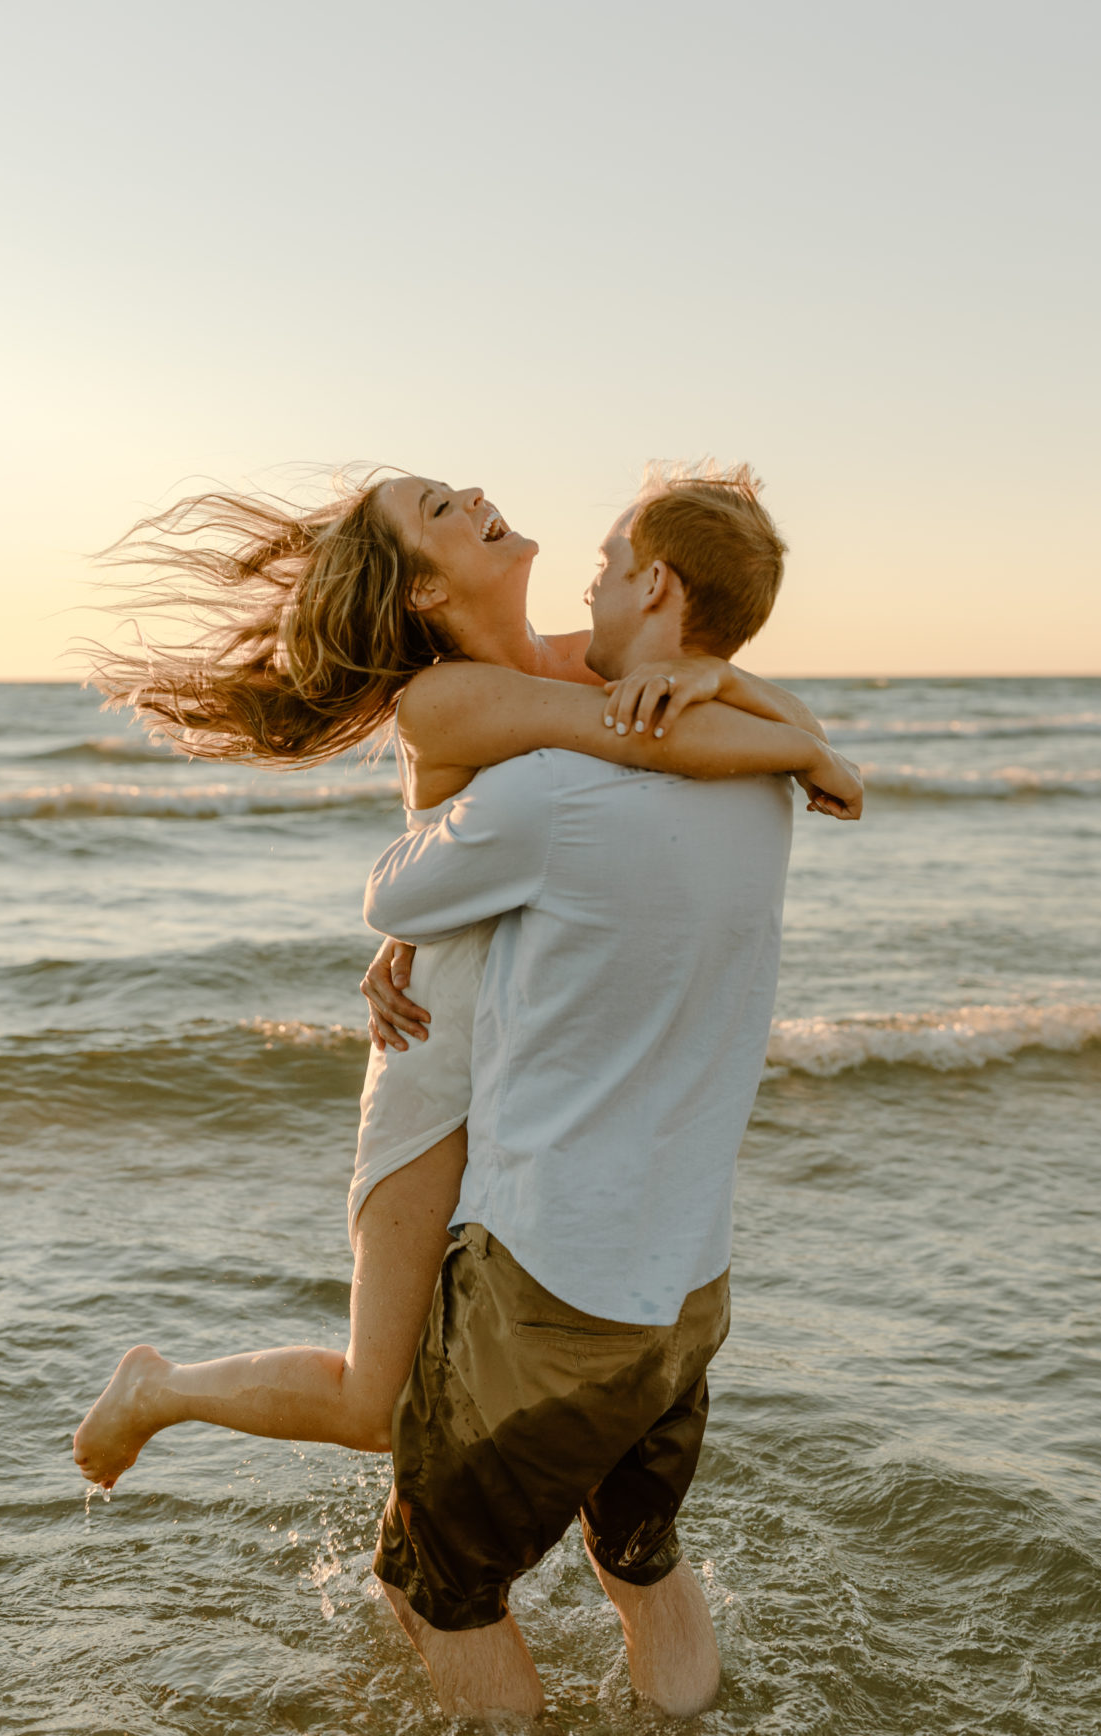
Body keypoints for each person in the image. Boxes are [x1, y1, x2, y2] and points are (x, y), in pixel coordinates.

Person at [73, 466, 859, 1498]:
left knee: (462, 1381)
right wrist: (807, 749)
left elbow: (693, 695)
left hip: (522, 1045)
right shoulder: (449, 696)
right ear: (427, 593)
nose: (477, 492)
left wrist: (727, 682)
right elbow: (658, 735)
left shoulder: (573, 658)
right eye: (439, 509)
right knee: (375, 1403)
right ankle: (157, 1387)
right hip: (433, 1054)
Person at [360, 485, 808, 1718]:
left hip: (549, 1281)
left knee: (435, 1588)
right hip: (688, 1287)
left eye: (611, 566)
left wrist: (412, 915)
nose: (590, 587)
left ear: (657, 585)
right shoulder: (767, 786)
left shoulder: (545, 794)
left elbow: (398, 893)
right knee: (641, 1559)